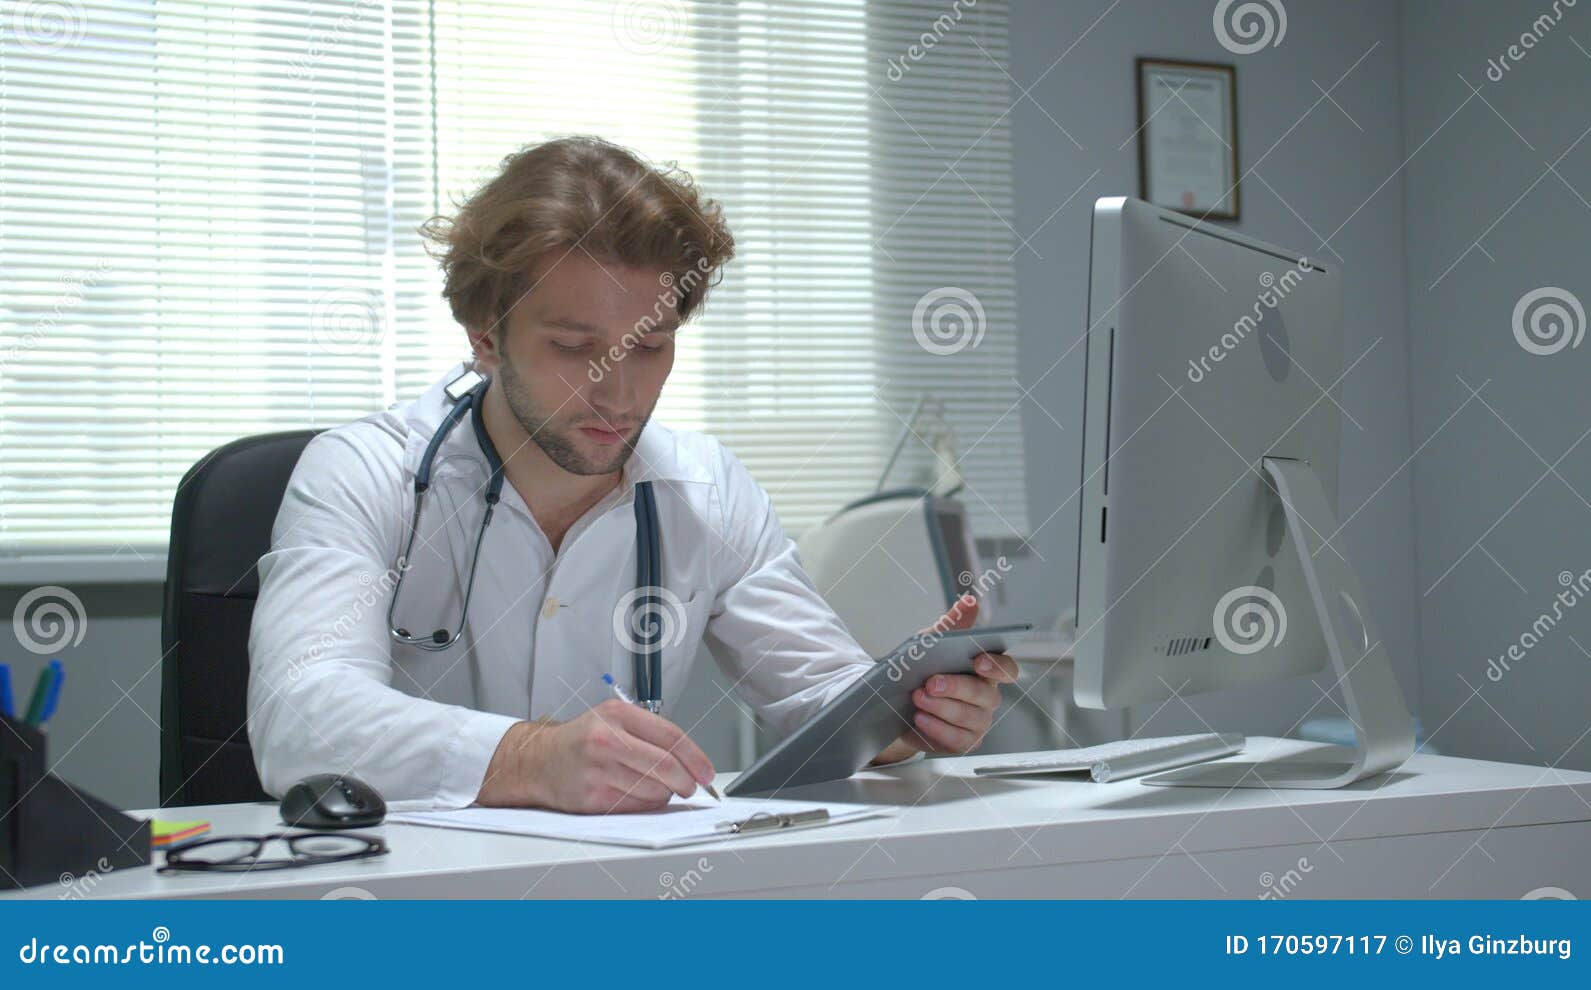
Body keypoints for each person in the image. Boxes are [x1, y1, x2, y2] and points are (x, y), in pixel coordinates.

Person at [247, 135, 1018, 813]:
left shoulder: (707, 493)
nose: (618, 392)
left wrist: (910, 708)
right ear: (486, 337)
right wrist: (529, 758)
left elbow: (820, 701)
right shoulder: (364, 473)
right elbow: (300, 718)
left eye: (649, 346)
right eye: (576, 348)